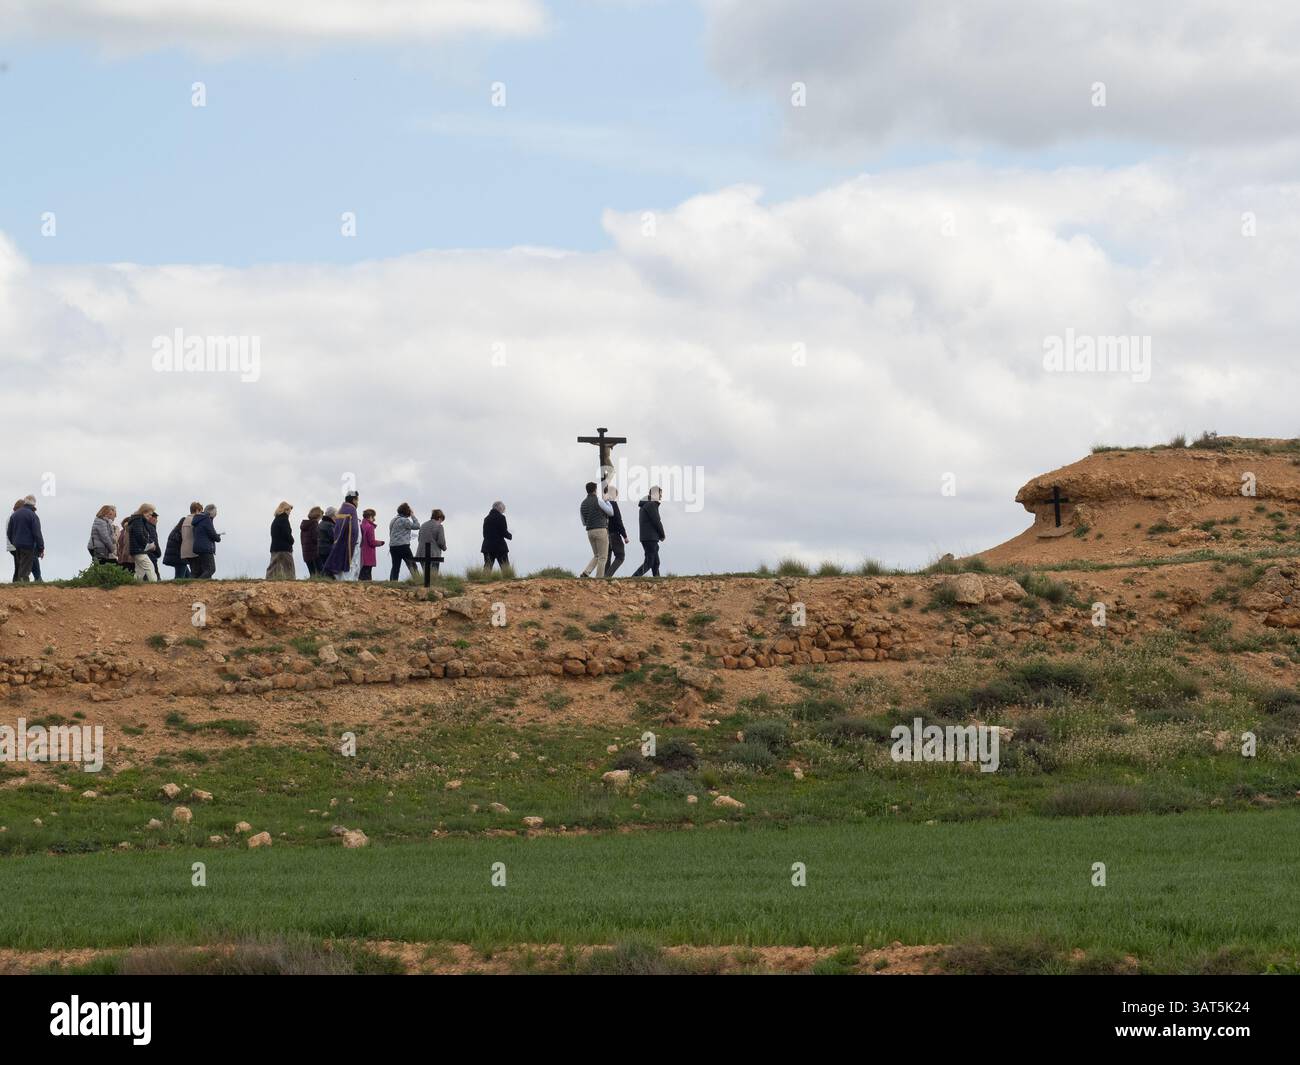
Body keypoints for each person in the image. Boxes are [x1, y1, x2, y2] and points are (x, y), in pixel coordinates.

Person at [579, 480, 614, 578]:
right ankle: (599, 578)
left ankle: (586, 572)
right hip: (601, 529)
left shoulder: (583, 504)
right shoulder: (599, 500)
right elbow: (611, 512)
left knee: (597, 555)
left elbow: (583, 522)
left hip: (589, 531)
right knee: (603, 557)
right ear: (595, 490)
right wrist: (607, 501)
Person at [324, 492, 361, 580]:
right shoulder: (351, 510)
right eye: (357, 500)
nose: (357, 502)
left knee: (343, 563)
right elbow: (354, 530)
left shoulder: (342, 510)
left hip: (342, 542)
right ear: (353, 500)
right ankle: (348, 582)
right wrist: (355, 541)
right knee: (350, 565)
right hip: (350, 544)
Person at [631, 486, 666, 577]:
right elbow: (656, 521)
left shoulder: (645, 505)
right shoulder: (651, 505)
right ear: (655, 494)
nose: (661, 496)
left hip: (647, 537)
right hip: (651, 537)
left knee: (656, 562)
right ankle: (634, 577)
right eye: (660, 494)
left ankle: (657, 580)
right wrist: (662, 534)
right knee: (649, 562)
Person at [7, 496, 43, 582]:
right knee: (25, 568)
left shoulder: (14, 515)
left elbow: (9, 532)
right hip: (28, 545)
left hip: (16, 545)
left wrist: (14, 542)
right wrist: (41, 547)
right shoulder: (33, 515)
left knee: (21, 566)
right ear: (34, 504)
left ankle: (20, 583)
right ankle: (24, 584)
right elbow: (37, 533)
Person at [127, 504, 162, 582]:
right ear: (144, 512)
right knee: (149, 567)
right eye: (149, 514)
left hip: (137, 549)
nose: (150, 516)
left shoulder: (140, 520)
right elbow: (139, 535)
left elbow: (142, 535)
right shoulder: (138, 520)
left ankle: (135, 585)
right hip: (138, 550)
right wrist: (148, 545)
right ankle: (154, 585)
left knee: (140, 571)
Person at [388, 503, 421, 581]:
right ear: (407, 511)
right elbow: (417, 526)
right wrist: (413, 515)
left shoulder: (393, 520)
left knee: (395, 566)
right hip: (403, 546)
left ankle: (393, 582)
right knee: (412, 565)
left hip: (393, 546)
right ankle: (418, 580)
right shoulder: (404, 520)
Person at [416, 508, 447, 586]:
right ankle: (432, 590)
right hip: (433, 555)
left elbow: (419, 539)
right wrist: (444, 548)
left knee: (426, 576)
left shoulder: (423, 525)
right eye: (441, 521)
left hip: (421, 553)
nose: (441, 523)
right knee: (433, 577)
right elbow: (441, 541)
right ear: (439, 518)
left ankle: (426, 589)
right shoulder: (439, 526)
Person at [190, 504, 221, 579]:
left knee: (204, 570)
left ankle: (200, 585)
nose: (216, 513)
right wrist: (218, 537)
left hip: (198, 547)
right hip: (206, 548)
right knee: (211, 569)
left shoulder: (198, 519)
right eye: (215, 511)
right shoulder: (206, 519)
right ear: (211, 512)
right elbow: (212, 533)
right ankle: (197, 583)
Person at [267, 501, 296, 580]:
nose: (290, 512)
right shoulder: (284, 519)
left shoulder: (276, 520)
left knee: (273, 568)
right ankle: (292, 583)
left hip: (275, 548)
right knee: (289, 568)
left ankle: (268, 581)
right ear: (285, 510)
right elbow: (286, 533)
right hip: (284, 548)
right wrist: (292, 540)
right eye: (289, 510)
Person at [480, 501, 512, 572]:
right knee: (505, 567)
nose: (504, 511)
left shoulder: (486, 518)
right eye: (503, 509)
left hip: (487, 546)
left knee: (487, 567)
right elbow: (503, 531)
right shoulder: (501, 517)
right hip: (499, 546)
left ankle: (483, 582)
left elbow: (484, 534)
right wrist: (510, 536)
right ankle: (509, 581)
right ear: (499, 508)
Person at [605, 485, 629, 577]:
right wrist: (625, 536)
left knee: (607, 558)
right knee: (620, 556)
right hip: (614, 534)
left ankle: (604, 577)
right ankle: (607, 576)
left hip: (605, 534)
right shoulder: (613, 504)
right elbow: (618, 521)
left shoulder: (603, 505)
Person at [358, 508, 384, 581]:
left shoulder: (361, 525)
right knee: (367, 575)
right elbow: (371, 541)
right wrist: (380, 543)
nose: (374, 519)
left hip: (361, 552)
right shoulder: (370, 527)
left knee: (362, 573)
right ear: (370, 516)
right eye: (373, 517)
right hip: (368, 553)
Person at [179, 501, 203, 574]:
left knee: (194, 570)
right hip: (193, 550)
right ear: (196, 510)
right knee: (197, 571)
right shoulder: (195, 520)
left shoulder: (185, 520)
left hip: (185, 549)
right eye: (200, 511)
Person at [162, 513, 188, 579]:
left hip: (176, 558)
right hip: (179, 558)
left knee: (188, 576)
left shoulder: (175, 531)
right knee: (179, 578)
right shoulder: (180, 533)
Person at [300, 506, 322, 577]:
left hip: (306, 554)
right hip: (314, 553)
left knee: (312, 574)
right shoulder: (314, 524)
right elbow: (315, 539)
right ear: (318, 515)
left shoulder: (305, 525)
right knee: (319, 574)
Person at [315, 506, 337, 576]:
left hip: (320, 549)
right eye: (336, 515)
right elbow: (334, 538)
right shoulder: (330, 525)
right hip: (328, 550)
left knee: (324, 569)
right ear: (332, 515)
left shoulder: (321, 523)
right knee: (329, 571)